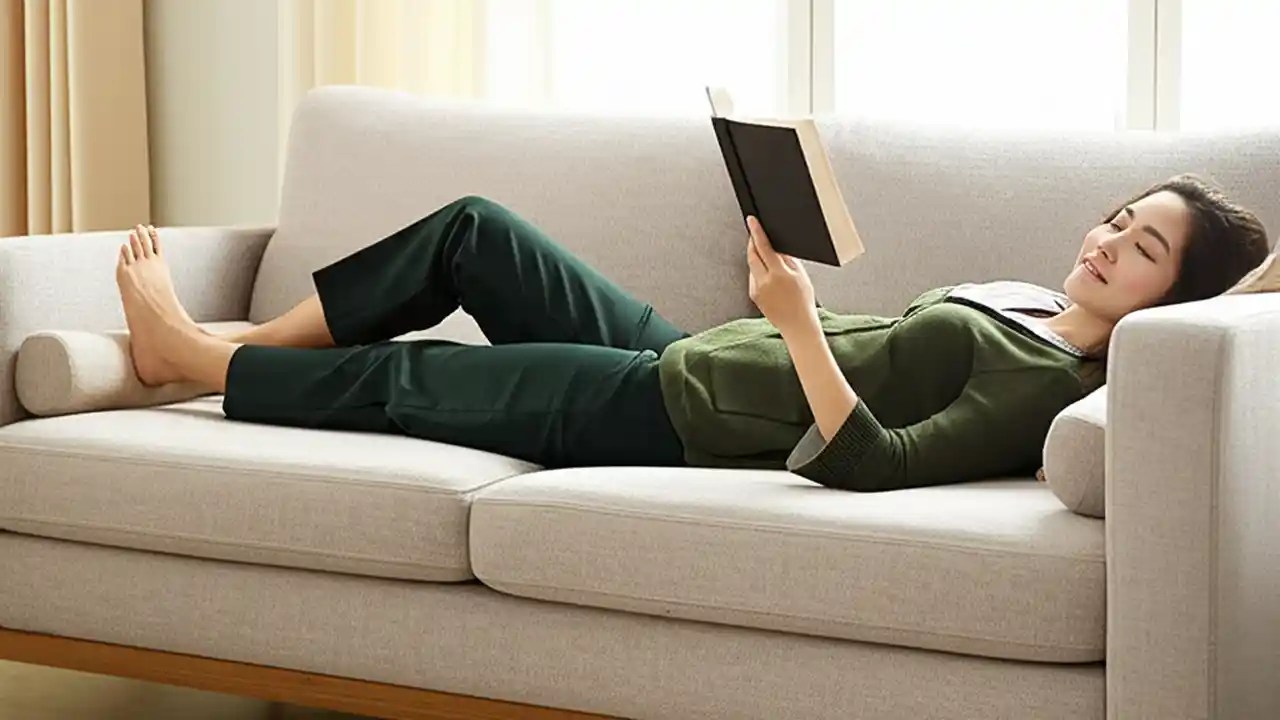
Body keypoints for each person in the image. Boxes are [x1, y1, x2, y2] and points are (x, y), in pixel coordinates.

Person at [114, 174, 1270, 491]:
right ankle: (255, 336)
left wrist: (800, 323)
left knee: (420, 378)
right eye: (1117, 218)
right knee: (477, 231)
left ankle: (203, 362)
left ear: (1171, 304)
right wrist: (780, 296)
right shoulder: (1022, 297)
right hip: (694, 353)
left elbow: (872, 461)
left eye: (1144, 249)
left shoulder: (1049, 381)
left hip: (674, 418)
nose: (1109, 241)